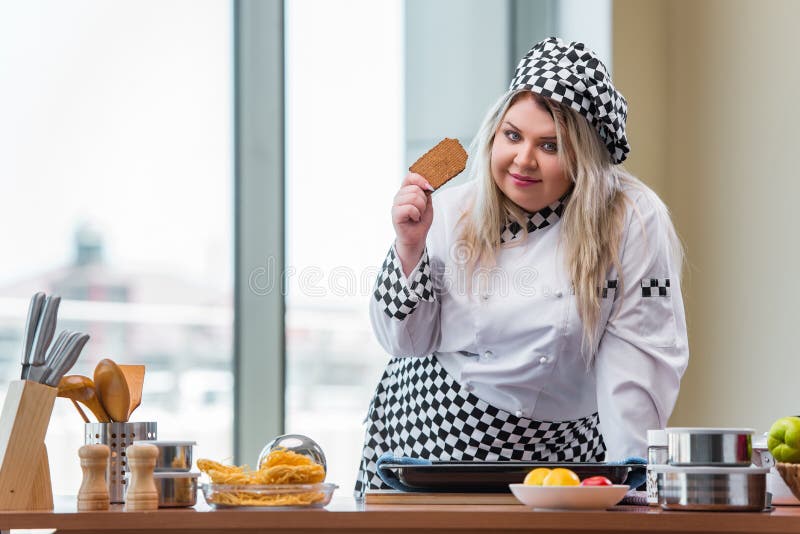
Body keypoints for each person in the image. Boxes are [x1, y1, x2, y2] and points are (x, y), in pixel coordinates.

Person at [355, 37, 689, 496]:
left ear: (584, 160)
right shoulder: (452, 209)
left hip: (563, 454)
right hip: (433, 442)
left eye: (550, 146)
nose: (523, 160)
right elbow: (403, 341)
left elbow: (641, 349)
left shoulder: (631, 219)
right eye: (512, 136)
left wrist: (635, 475)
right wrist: (408, 246)